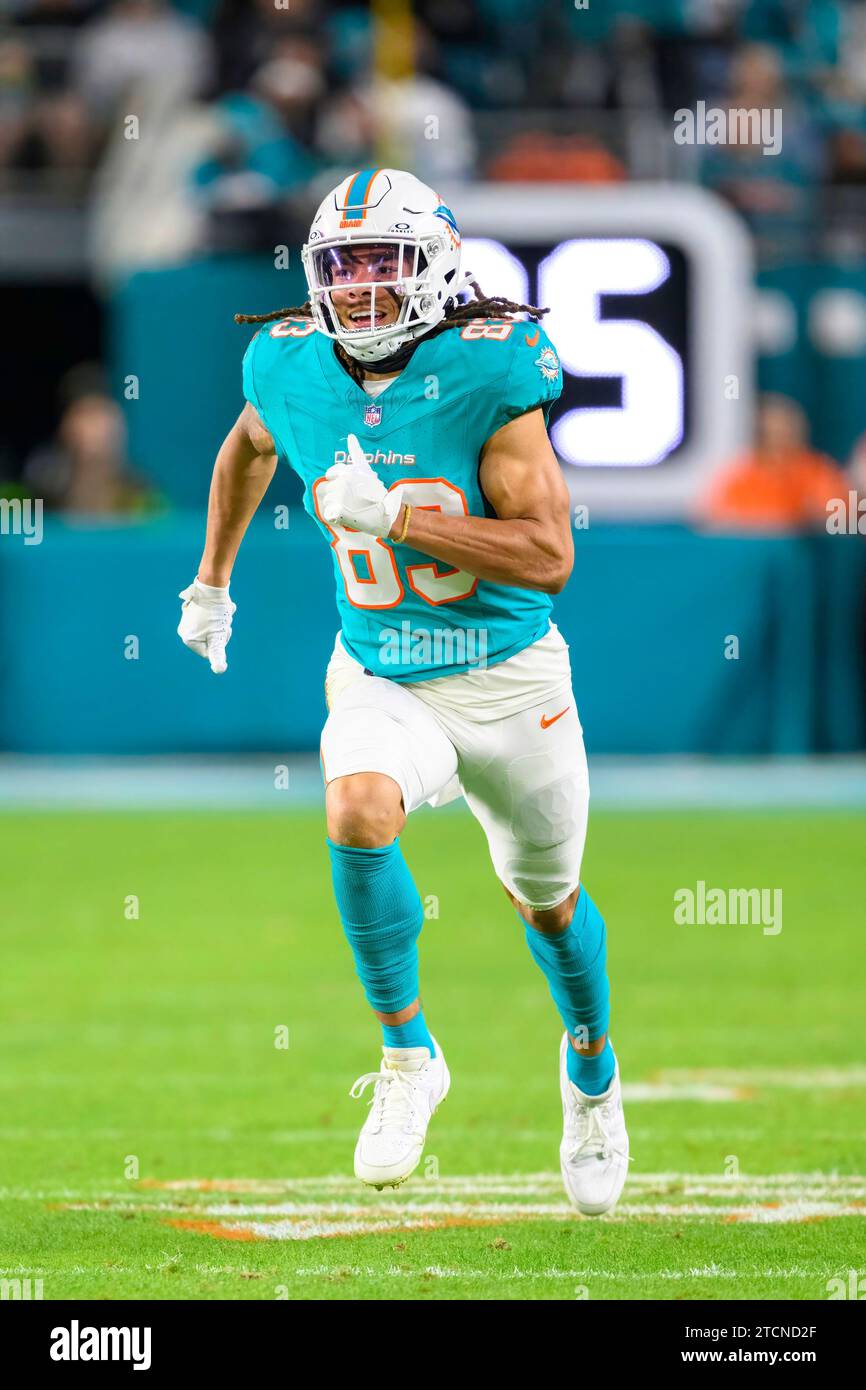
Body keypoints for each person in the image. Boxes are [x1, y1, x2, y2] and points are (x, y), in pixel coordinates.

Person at [177, 169, 629, 1215]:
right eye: (341, 265)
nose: (360, 286)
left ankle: (593, 1072)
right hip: (384, 670)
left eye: (382, 261)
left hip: (510, 680)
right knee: (355, 805)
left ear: (434, 264)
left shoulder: (489, 367)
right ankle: (407, 1054)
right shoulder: (287, 359)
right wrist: (211, 579)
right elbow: (247, 446)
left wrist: (401, 522)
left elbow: (548, 554)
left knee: (549, 908)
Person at [696, 392, 849, 531]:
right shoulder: (738, 475)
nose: (780, 438)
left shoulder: (819, 473)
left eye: (786, 430)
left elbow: (836, 517)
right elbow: (715, 517)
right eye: (772, 432)